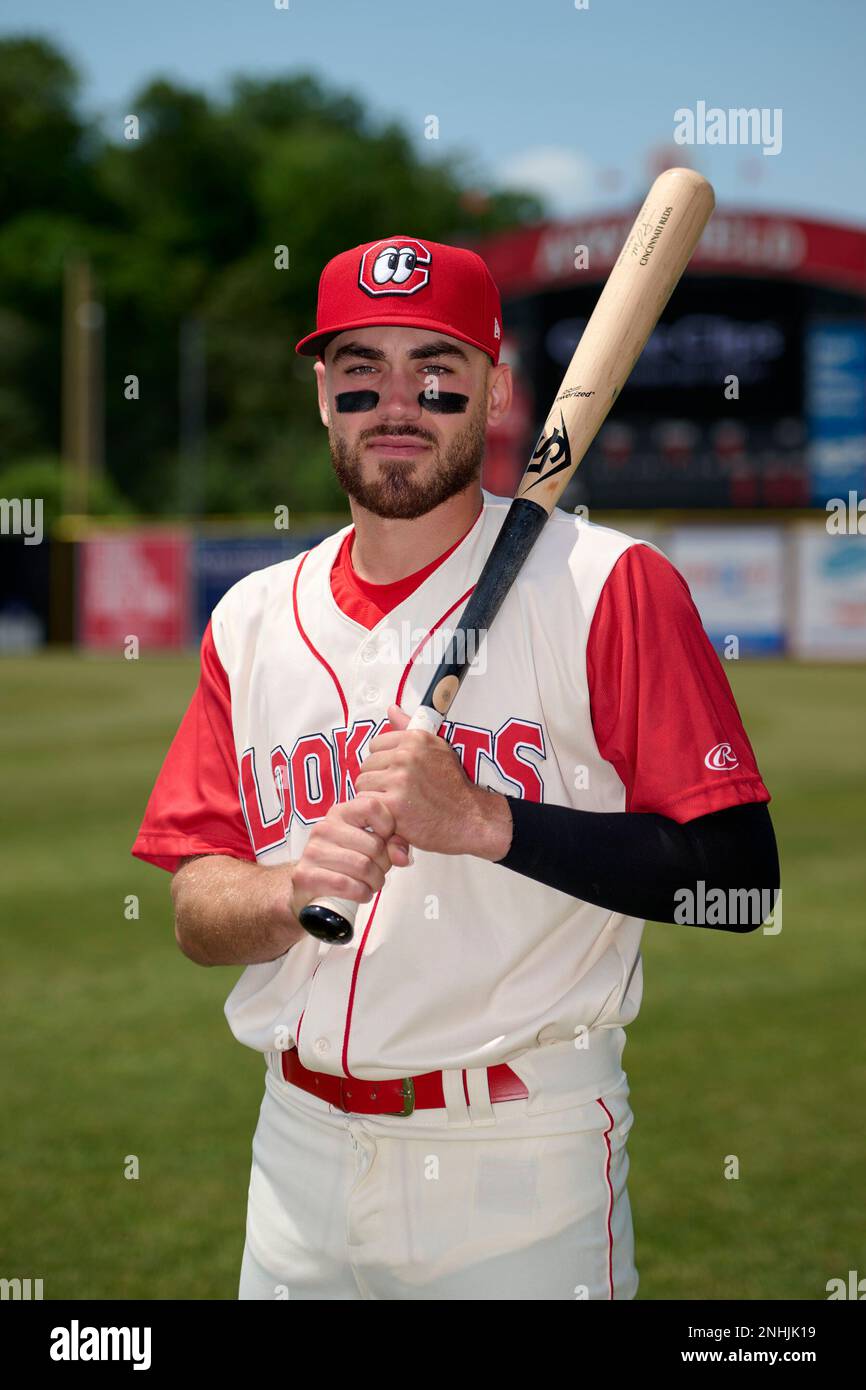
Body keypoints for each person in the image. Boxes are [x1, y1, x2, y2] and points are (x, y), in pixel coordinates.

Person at [132, 235, 779, 1300]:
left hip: (520, 1160)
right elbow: (197, 906)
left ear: (495, 387)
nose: (396, 401)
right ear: (321, 396)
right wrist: (290, 891)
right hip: (292, 1156)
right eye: (360, 373)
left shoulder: (608, 584)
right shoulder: (250, 619)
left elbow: (739, 879)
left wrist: (487, 819)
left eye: (434, 370)